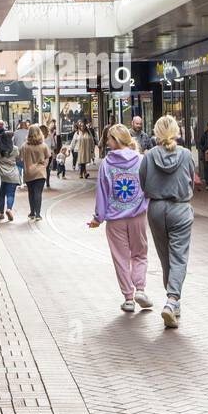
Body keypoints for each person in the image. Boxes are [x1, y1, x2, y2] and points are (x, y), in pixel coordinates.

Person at [88, 124, 153, 313]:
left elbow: (101, 193)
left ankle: (129, 298)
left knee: (121, 258)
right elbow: (149, 185)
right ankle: (140, 289)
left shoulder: (106, 164)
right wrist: (145, 202)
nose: (107, 142)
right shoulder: (141, 160)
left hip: (115, 219)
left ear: (116, 140)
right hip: (138, 216)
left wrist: (98, 218)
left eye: (109, 138)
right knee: (140, 254)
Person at [140, 115, 195, 328]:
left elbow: (142, 183)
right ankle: (172, 301)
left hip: (156, 209)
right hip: (180, 208)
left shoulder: (149, 156)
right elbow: (190, 177)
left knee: (165, 257)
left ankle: (173, 300)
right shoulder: (186, 155)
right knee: (179, 257)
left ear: (156, 133)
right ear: (176, 131)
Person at [20, 126, 51, 220]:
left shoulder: (24, 146)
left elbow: (20, 158)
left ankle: (32, 212)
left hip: (29, 172)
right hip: (40, 172)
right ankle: (38, 214)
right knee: (38, 193)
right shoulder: (43, 145)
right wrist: (44, 165)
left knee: (31, 193)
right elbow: (48, 156)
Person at [0, 131, 21, 221]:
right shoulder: (15, 149)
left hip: (0, 175)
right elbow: (18, 158)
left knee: (1, 195)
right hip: (12, 175)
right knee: (10, 194)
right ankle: (9, 209)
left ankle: (1, 213)